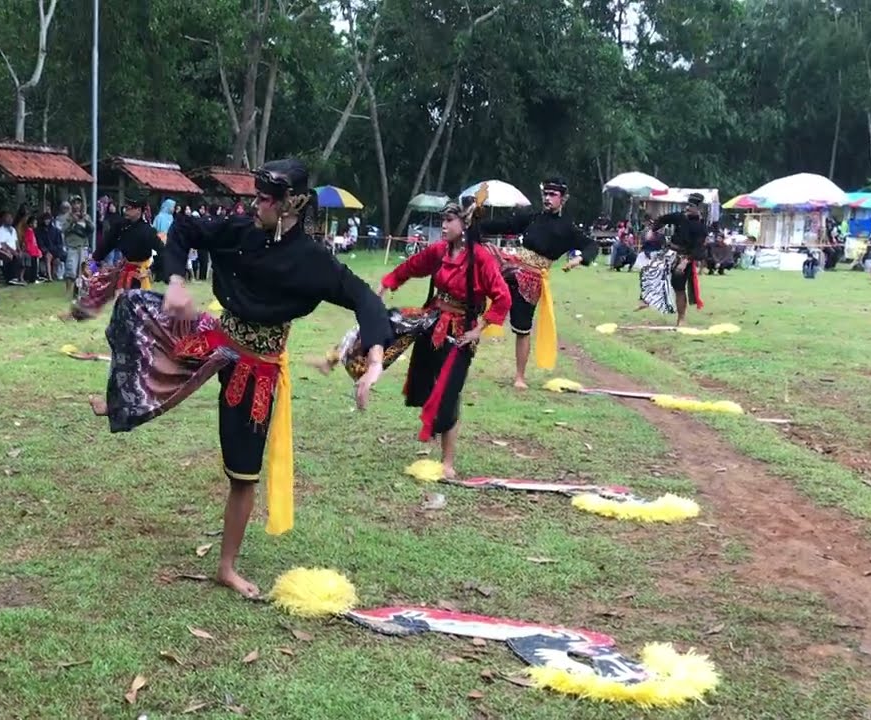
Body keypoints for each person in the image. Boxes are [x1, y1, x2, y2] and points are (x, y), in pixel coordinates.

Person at [79, 158, 392, 598]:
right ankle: (121, 400)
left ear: (292, 205)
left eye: (264, 199)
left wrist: (375, 358)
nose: (255, 204)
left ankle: (226, 566)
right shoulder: (242, 230)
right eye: (256, 196)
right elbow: (186, 230)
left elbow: (364, 298)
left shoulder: (312, 261)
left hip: (258, 367)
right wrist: (174, 280)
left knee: (242, 474)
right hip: (215, 334)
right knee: (135, 310)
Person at [320, 200, 510, 479]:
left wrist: (479, 329)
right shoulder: (440, 251)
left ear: (465, 225)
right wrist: (384, 287)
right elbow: (410, 267)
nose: (443, 226)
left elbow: (502, 297)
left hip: (460, 333)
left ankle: (447, 461)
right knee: (388, 324)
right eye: (442, 220)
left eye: (449, 221)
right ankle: (340, 358)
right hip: (432, 320)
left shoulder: (480, 258)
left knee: (448, 392)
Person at [474, 177, 598, 388]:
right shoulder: (532, 217)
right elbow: (506, 224)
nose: (548, 198)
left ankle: (520, 377)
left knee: (522, 328)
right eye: (545, 194)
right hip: (511, 267)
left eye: (553, 195)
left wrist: (579, 259)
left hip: (531, 279)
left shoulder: (567, 228)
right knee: (477, 287)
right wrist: (476, 221)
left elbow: (591, 245)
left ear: (563, 198)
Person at [71, 192, 163, 317]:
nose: (126, 211)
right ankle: (85, 309)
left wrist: (151, 270)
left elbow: (164, 251)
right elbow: (105, 246)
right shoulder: (120, 227)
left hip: (139, 275)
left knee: (137, 311)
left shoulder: (148, 231)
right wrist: (91, 262)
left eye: (130, 208)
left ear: (139, 210)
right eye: (126, 207)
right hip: (124, 270)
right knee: (110, 295)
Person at [636, 192, 709, 325]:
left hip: (684, 257)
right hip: (670, 252)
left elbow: (698, 249)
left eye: (691, 206)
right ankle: (645, 300)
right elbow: (662, 219)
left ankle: (681, 318)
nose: (688, 208)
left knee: (679, 288)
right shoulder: (680, 217)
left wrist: (686, 261)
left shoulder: (700, 227)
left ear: (698, 208)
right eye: (688, 205)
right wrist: (653, 231)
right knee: (650, 270)